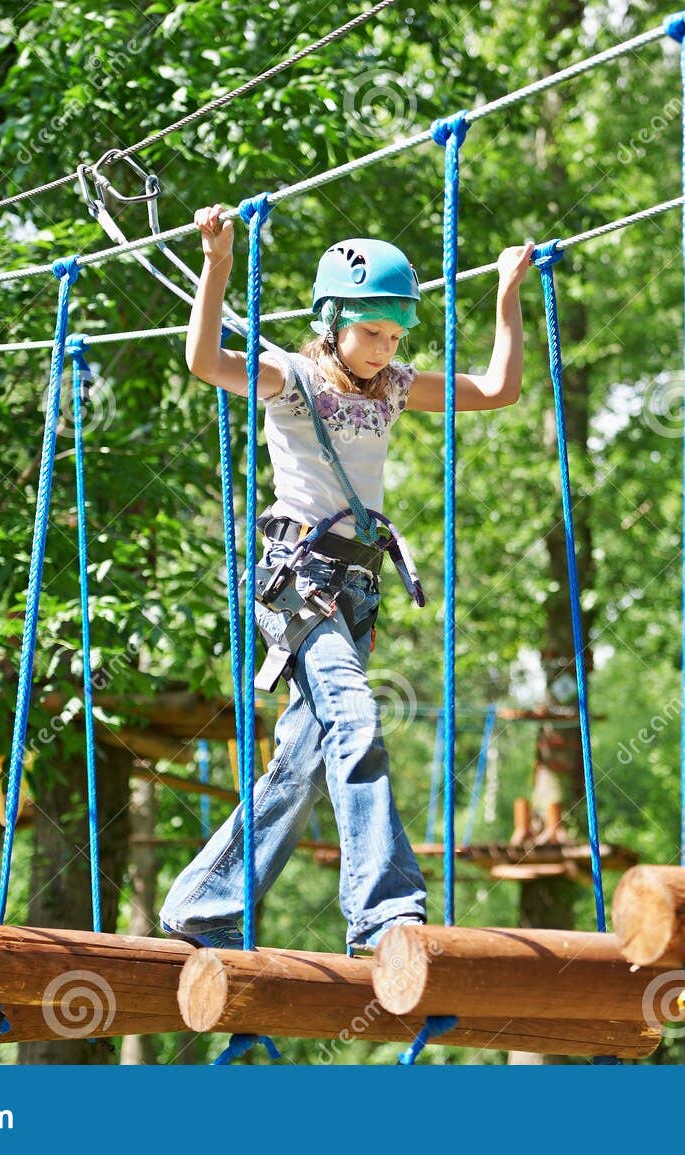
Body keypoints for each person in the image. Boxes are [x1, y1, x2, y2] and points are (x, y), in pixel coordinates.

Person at [158, 204, 534, 953]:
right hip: (297, 579)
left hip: (357, 590)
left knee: (298, 768)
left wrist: (507, 294)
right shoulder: (289, 378)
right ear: (331, 322)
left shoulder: (392, 387)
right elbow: (205, 361)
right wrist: (218, 263)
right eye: (372, 333)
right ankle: (385, 914)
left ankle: (201, 905)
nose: (385, 349)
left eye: (395, 335)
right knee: (357, 721)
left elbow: (497, 388)